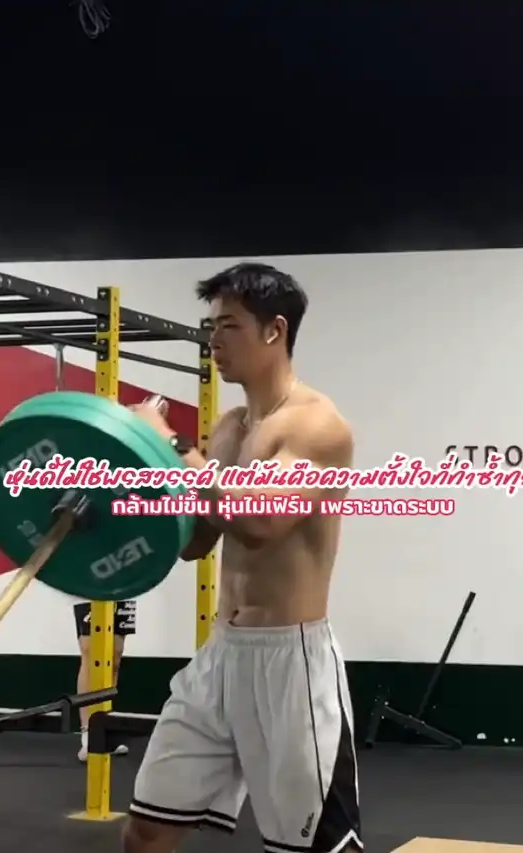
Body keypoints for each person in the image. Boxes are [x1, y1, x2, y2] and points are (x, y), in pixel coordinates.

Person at [123, 262, 362, 853]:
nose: (214, 341)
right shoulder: (229, 429)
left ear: (274, 330)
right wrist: (149, 472)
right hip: (221, 657)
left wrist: (172, 444)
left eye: (228, 326)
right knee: (147, 829)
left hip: (291, 667)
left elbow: (259, 522)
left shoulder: (317, 426)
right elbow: (195, 543)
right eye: (211, 327)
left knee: (309, 847)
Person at [73, 599, 136, 761]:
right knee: (90, 651)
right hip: (91, 589)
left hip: (121, 588)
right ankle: (88, 731)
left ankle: (105, 729)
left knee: (115, 654)